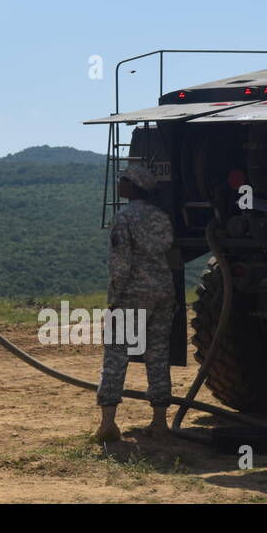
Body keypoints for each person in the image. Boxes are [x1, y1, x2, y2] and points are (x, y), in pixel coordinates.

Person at [94, 163, 175, 443]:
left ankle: (108, 425)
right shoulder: (162, 217)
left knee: (116, 354)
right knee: (158, 354)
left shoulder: (123, 217)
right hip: (164, 291)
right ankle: (159, 422)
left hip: (133, 294)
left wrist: (114, 299)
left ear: (134, 186)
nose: (120, 184)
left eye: (124, 180)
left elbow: (121, 264)